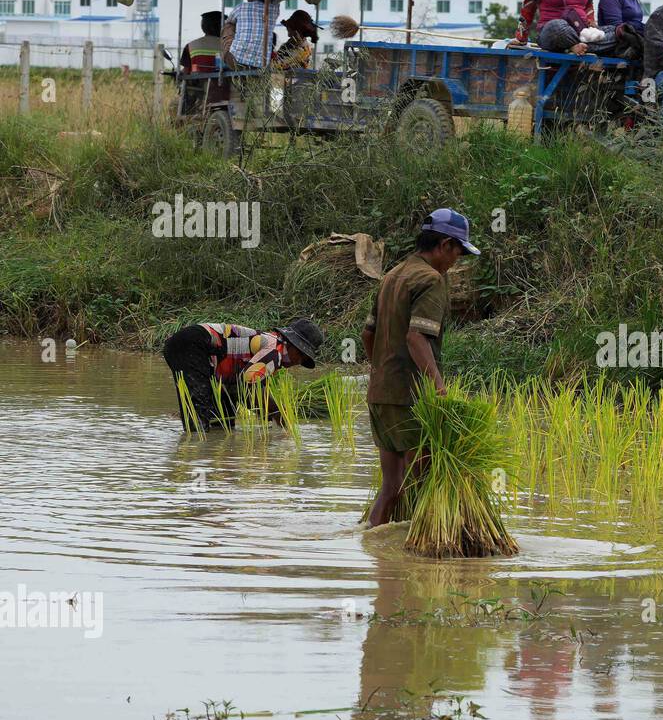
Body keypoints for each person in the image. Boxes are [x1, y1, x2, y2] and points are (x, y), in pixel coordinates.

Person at [363, 208, 481, 528]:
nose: (457, 261)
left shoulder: (392, 275)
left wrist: (379, 372)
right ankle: (422, 554)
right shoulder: (431, 279)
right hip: (410, 397)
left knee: (391, 488)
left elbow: (368, 334)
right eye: (458, 251)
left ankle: (375, 551)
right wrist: (439, 389)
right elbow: (416, 337)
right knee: (425, 482)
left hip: (380, 393)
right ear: (444, 245)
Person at [162, 319, 323, 431]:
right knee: (198, 419)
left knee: (223, 421)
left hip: (196, 350)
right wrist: (277, 414)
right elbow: (249, 382)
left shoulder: (272, 347)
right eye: (302, 356)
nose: (298, 362)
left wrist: (267, 411)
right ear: (294, 346)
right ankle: (194, 461)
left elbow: (241, 388)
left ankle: (212, 464)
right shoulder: (276, 351)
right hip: (193, 344)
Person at [225, 0, 284, 70]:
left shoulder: (241, 7)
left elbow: (229, 21)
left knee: (228, 26)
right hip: (261, 64)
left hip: (237, 60)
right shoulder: (275, 9)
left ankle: (227, 53)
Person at [179, 10, 225, 113]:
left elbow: (186, 71)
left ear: (203, 27)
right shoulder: (229, 46)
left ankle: (185, 116)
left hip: (200, 90)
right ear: (222, 27)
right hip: (224, 88)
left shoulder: (191, 46)